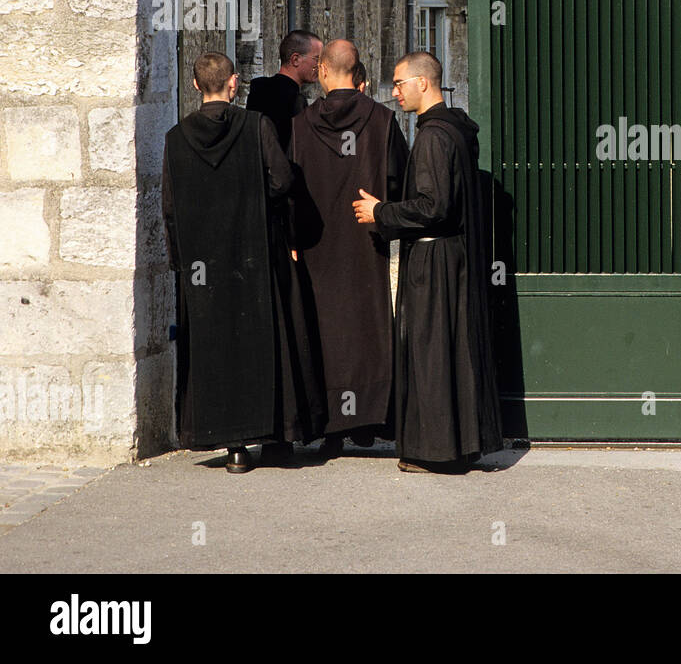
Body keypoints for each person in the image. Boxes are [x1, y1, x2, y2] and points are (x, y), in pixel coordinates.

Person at [162, 52, 327, 472]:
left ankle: (232, 444)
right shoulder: (256, 126)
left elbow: (170, 208)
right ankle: (276, 436)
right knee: (267, 340)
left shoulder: (176, 138)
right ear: (233, 84)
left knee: (216, 347)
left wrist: (181, 262)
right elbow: (282, 179)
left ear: (196, 86)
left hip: (205, 262)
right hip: (257, 250)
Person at [352, 51, 503, 472]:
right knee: (447, 350)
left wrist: (381, 213)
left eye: (400, 83)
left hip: (435, 259)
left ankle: (437, 452)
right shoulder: (449, 129)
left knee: (431, 352)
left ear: (424, 82)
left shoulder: (434, 136)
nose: (395, 91)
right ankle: (452, 446)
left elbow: (434, 206)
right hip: (449, 256)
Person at [290, 40, 408, 458]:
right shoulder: (383, 121)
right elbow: (399, 182)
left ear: (322, 71)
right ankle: (368, 419)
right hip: (365, 239)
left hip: (317, 245)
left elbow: (289, 189)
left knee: (323, 327)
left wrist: (293, 238)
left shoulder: (301, 126)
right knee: (366, 326)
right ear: (357, 71)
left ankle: (330, 423)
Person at [247, 29, 323, 149]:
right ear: (295, 59)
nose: (320, 66)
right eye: (317, 59)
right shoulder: (295, 101)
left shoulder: (258, 90)